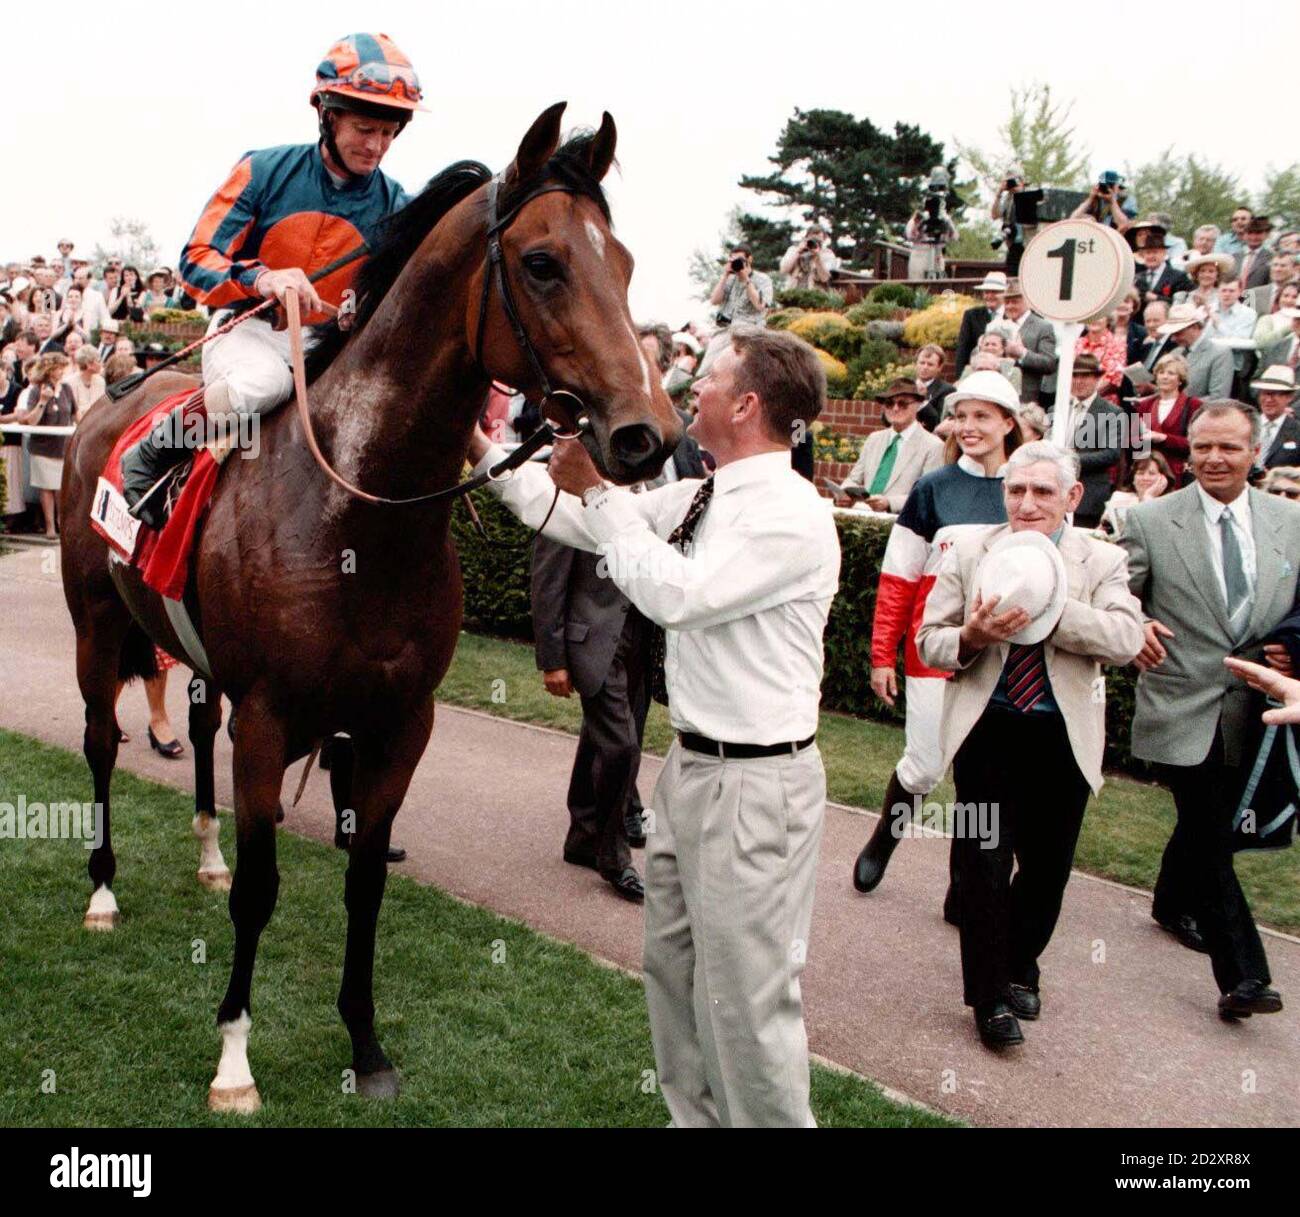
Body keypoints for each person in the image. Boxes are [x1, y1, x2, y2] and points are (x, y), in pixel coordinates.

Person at [468, 325, 839, 1127]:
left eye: (706, 378)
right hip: (695, 773)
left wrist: (599, 494)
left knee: (746, 1000)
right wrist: (478, 444)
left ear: (745, 404)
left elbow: (677, 594)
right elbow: (575, 518)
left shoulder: (792, 514)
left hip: (758, 783)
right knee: (673, 971)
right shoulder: (706, 491)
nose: (687, 389)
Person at [120, 32, 424, 526]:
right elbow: (196, 259)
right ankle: (157, 449)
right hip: (250, 334)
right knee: (261, 384)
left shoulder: (397, 208)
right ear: (328, 114)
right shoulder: (262, 170)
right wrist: (261, 279)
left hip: (330, 351)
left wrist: (364, 311)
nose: (376, 146)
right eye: (365, 128)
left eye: (388, 134)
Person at [917, 441, 1144, 1047]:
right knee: (982, 867)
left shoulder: (1100, 560)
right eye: (1016, 490)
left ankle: (1021, 964)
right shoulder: (968, 549)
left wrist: (1049, 606)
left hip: (1060, 738)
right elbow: (927, 641)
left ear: (1072, 497)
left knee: (1046, 872)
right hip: (988, 732)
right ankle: (988, 998)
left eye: (1043, 491)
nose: (1027, 503)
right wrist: (969, 634)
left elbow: (1125, 639)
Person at [1123, 401, 1299, 998]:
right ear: (1187, 451)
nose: (1214, 459)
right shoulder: (1151, 521)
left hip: (1258, 710)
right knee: (1206, 822)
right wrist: (1134, 625)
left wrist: (1289, 645)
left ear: (1255, 453)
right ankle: (1244, 973)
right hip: (1180, 703)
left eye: (1228, 448)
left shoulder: (1291, 521)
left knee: (1210, 823)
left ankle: (1172, 902)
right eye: (1203, 447)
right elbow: (1114, 595)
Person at [852, 371, 1023, 904]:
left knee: (985, 777)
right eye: (962, 416)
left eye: (983, 417)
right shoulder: (934, 487)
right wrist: (883, 654)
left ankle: (964, 887)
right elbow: (898, 577)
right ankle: (885, 838)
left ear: (1008, 423)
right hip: (936, 650)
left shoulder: (1029, 489)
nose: (969, 427)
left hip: (1004, 656)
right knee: (926, 764)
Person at [530, 535, 649, 903]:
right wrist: (553, 659)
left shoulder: (655, 497)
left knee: (603, 736)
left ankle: (582, 837)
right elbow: (547, 579)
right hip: (592, 644)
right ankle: (612, 856)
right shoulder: (570, 501)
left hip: (641, 641)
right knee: (622, 747)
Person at [840, 379, 943, 511]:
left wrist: (890, 503)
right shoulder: (874, 439)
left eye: (903, 404)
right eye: (889, 403)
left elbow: (928, 495)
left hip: (901, 522)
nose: (895, 408)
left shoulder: (933, 446)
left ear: (918, 405)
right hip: (863, 515)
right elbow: (854, 479)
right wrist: (843, 493)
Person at [1050, 352, 1125, 528]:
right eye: (1074, 375)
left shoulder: (1112, 412)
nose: (1079, 381)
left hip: (1089, 494)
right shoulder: (1060, 407)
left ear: (1097, 378)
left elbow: (1111, 455)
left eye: (1085, 376)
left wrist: (1071, 459)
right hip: (1056, 492)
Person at [19, 353, 76, 536]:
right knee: (46, 488)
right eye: (59, 367)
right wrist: (43, 401)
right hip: (43, 448)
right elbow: (31, 421)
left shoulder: (67, 389)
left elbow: (75, 414)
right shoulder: (36, 390)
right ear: (50, 369)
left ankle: (62, 522)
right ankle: (50, 526)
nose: (62, 371)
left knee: (61, 488)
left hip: (63, 447)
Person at [698, 247, 773, 378]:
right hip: (724, 329)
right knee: (705, 370)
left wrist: (746, 280)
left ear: (749, 259)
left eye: (740, 260)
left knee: (739, 373)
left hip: (749, 331)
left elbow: (760, 305)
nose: (737, 263)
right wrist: (725, 275)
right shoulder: (730, 279)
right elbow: (714, 300)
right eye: (733, 260)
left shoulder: (763, 279)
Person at [1131, 353, 1200, 483]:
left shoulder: (1193, 405)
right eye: (1161, 372)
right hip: (1148, 474)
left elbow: (1196, 443)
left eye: (1171, 373)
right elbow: (1134, 442)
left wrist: (1164, 438)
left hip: (1179, 474)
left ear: (1180, 380)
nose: (1165, 377)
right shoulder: (1145, 405)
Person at [1157, 304, 1234, 399]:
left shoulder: (1220, 353)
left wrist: (1179, 405)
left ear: (1195, 327)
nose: (1173, 339)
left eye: (1178, 333)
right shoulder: (1176, 353)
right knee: (1137, 414)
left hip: (1198, 412)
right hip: (1166, 410)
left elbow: (1218, 397)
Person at [1000, 278, 1057, 405]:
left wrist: (1022, 353)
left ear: (1027, 301)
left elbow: (1049, 364)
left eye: (1015, 302)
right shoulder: (999, 326)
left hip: (1026, 398)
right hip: (1000, 393)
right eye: (1007, 302)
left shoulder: (1043, 326)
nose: (1009, 306)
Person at [1100, 450, 1173, 537]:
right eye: (1140, 473)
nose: (1145, 478)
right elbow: (1103, 531)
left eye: (1152, 473)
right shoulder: (1119, 497)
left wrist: (1148, 497)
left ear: (1163, 478)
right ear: (1133, 479)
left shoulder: (1170, 504)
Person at [954, 271, 1008, 378]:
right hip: (976, 372)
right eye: (986, 292)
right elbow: (963, 349)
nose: (989, 296)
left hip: (1004, 374)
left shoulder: (1012, 315)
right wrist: (960, 378)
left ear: (1005, 293)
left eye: (995, 292)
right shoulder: (972, 315)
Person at [1130, 224, 1192, 306]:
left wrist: (1156, 298)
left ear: (1164, 253)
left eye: (1155, 252)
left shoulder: (1179, 277)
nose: (1151, 256)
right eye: (1148, 253)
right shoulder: (1137, 277)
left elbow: (1185, 302)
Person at [1252, 365, 1300, 467]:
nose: (1269, 400)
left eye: (1275, 394)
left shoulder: (1297, 431)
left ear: (1289, 397)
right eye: (1265, 393)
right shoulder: (1246, 426)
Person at [1074, 316, 1127, 394]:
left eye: (1100, 315)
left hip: (1102, 402)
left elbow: (1113, 380)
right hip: (1072, 400)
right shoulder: (1077, 343)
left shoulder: (1117, 345)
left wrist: (1084, 396)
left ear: (1108, 320)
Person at [1069, 169, 1136, 230]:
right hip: (1097, 236)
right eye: (1104, 186)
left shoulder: (1126, 200)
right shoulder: (1095, 200)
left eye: (1111, 186)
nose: (1107, 189)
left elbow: (1124, 225)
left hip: (1116, 238)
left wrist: (1112, 201)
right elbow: (1072, 219)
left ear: (1116, 186)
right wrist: (1090, 198)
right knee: (1089, 219)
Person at [779, 225, 838, 291]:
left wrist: (817, 257)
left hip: (816, 294)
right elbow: (783, 270)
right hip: (794, 292)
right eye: (812, 240)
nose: (815, 243)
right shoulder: (793, 250)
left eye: (818, 241)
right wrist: (798, 252)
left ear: (824, 240)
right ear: (806, 238)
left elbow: (825, 278)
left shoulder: (827, 254)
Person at [913, 343, 955, 431]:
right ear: (916, 363)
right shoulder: (905, 384)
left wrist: (922, 400)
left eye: (930, 364)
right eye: (922, 363)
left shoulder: (946, 390)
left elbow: (937, 421)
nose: (925, 367)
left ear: (939, 367)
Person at [66, 345, 106, 419]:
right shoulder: (69, 383)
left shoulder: (101, 381)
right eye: (98, 361)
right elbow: (72, 412)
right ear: (89, 364)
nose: (101, 364)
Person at [1235, 216, 1274, 289]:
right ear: (1244, 235)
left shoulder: (1271, 258)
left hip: (1258, 298)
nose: (1253, 237)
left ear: (1266, 235)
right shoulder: (1234, 257)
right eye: (1250, 233)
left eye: (1258, 233)